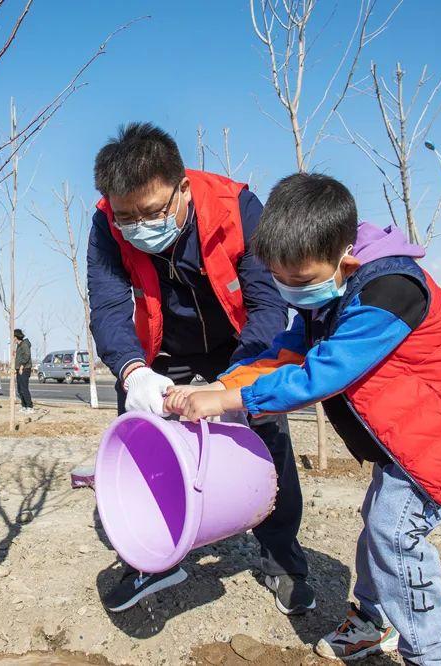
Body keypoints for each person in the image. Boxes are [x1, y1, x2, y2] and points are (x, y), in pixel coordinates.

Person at [166, 173, 441, 664]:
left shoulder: (389, 291)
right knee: (380, 521)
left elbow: (320, 375)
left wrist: (226, 403)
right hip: (410, 429)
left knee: (394, 533)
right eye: (279, 281)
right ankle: (372, 620)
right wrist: (224, 384)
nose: (289, 294)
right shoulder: (326, 291)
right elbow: (285, 353)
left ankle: (429, 655)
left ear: (344, 260)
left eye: (299, 282)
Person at [87, 123, 309, 613]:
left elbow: (268, 303)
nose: (138, 227)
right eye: (128, 217)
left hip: (240, 343)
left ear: (182, 188)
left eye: (152, 213)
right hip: (163, 353)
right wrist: (132, 373)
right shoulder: (106, 223)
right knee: (143, 438)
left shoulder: (238, 208)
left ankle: (282, 559)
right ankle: (154, 557)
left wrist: (232, 385)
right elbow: (106, 308)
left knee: (267, 435)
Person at [13, 328, 34, 413]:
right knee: (19, 389)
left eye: (13, 337)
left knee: (24, 388)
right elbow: (20, 356)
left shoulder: (24, 344)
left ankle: (30, 406)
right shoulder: (19, 345)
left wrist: (21, 366)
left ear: (16, 337)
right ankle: (24, 405)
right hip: (19, 369)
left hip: (24, 369)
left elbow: (27, 356)